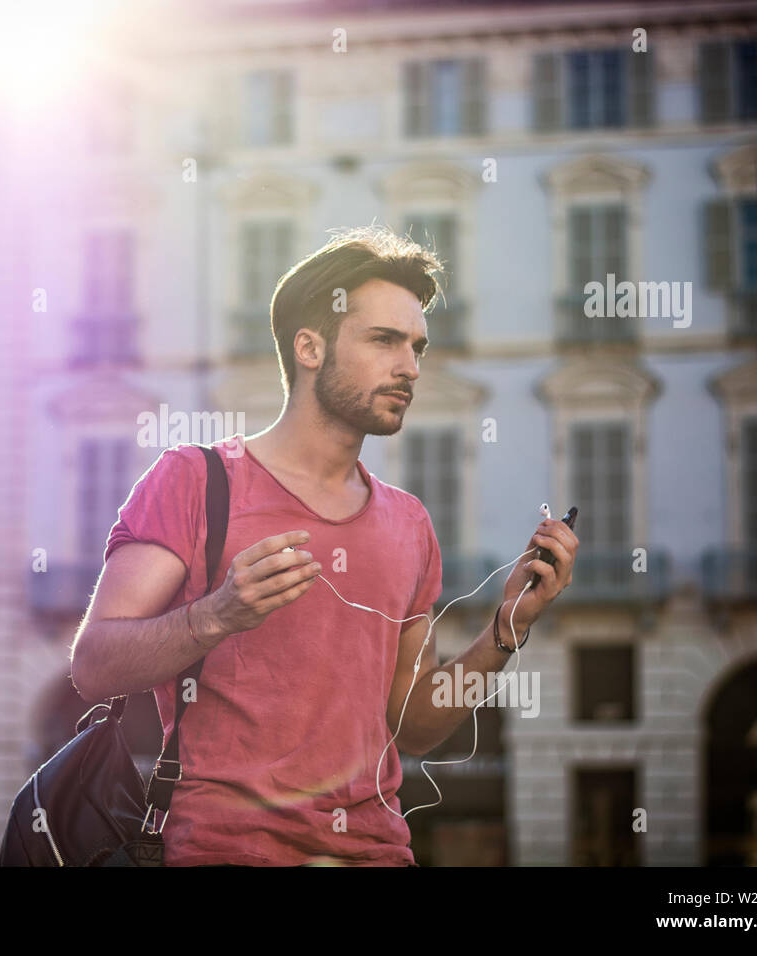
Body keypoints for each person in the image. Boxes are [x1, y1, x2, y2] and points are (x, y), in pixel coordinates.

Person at [70, 225, 578, 866]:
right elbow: (93, 666)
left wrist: (507, 629)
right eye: (385, 341)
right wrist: (215, 616)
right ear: (309, 347)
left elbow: (413, 725)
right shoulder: (195, 481)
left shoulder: (410, 524)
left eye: (417, 346)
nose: (410, 367)